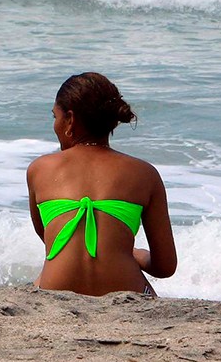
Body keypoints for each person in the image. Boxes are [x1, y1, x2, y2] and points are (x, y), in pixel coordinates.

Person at [27, 72, 176, 297]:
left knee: (41, 278)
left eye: (54, 116)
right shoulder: (144, 173)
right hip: (125, 295)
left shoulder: (40, 169)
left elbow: (50, 242)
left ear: (70, 119)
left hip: (55, 295)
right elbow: (165, 267)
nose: (54, 124)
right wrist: (132, 254)